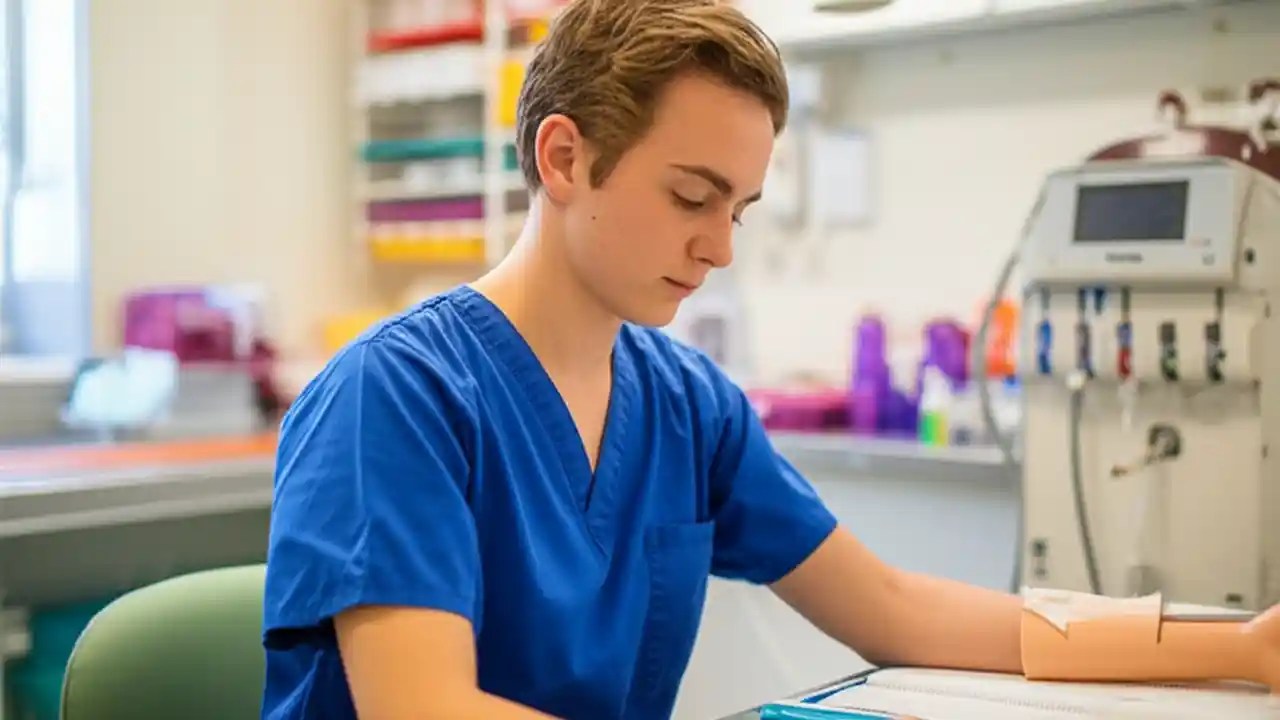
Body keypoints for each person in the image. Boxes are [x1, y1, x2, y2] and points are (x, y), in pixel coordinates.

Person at [260, 1, 1279, 718]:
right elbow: (422, 708)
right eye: (690, 198)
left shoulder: (682, 406)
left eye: (738, 208)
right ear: (563, 158)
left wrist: (1235, 648)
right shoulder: (395, 397)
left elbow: (894, 610)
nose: (720, 247)